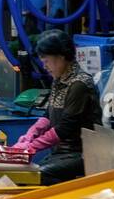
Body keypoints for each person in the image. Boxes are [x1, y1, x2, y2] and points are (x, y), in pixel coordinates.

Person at [13, 29, 99, 185]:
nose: (44, 66)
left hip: (82, 154)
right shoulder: (59, 79)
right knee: (23, 175)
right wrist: (31, 134)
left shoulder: (79, 84)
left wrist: (30, 147)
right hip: (61, 153)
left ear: (61, 57)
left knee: (36, 177)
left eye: (46, 61)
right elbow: (48, 114)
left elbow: (65, 128)